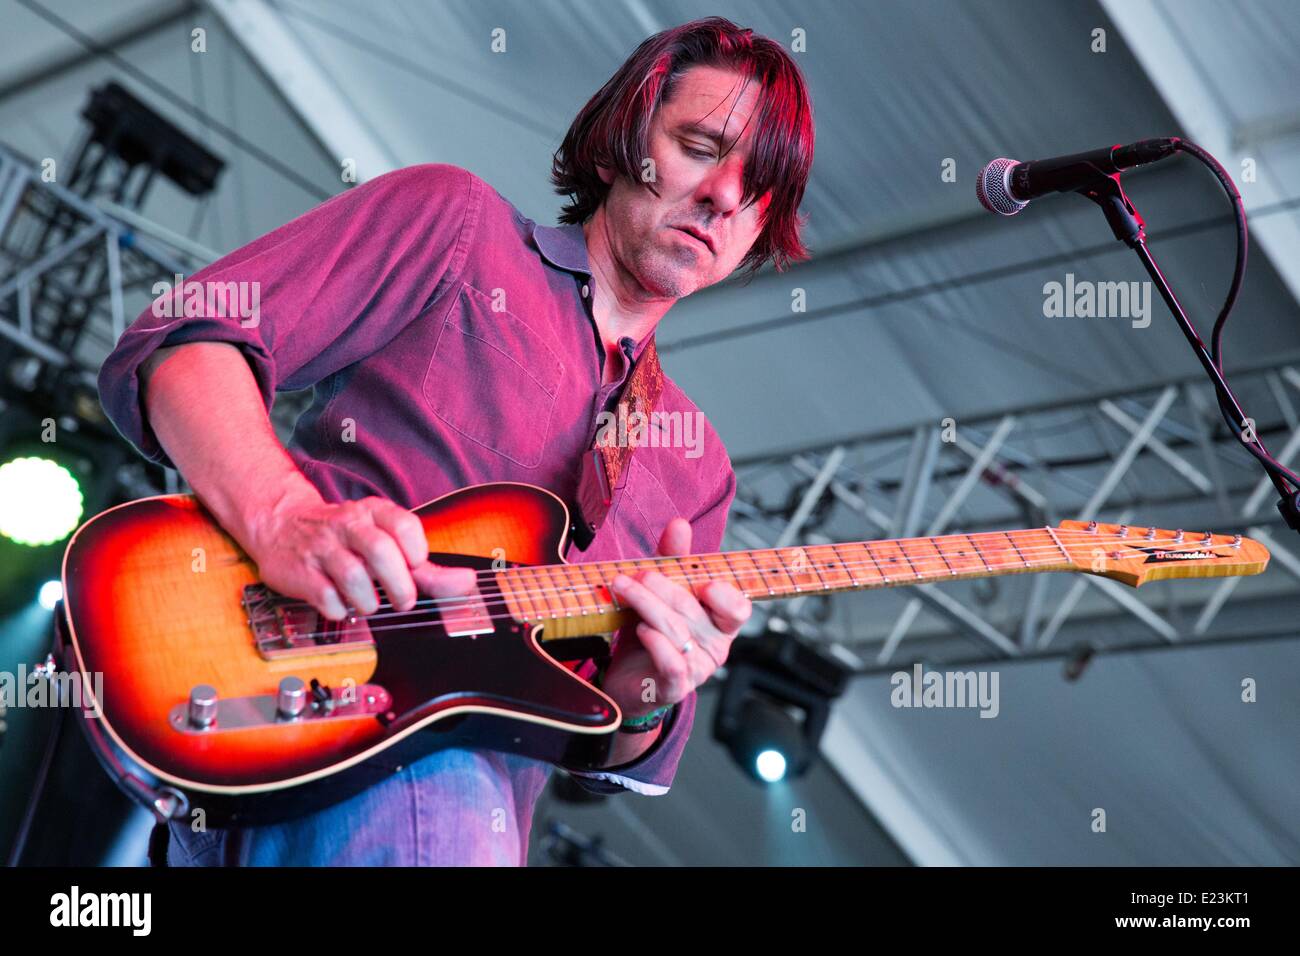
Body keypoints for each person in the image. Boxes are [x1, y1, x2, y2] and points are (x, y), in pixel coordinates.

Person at [97, 15, 814, 865]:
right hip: (305, 717)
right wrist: (285, 515)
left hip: (484, 821)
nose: (726, 196)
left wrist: (649, 691)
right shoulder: (459, 227)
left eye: (759, 186)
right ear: (624, 136)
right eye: (701, 145)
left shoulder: (698, 468)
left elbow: (609, 750)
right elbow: (189, 341)